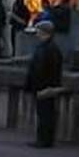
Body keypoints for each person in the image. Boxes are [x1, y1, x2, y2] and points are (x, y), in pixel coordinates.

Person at [23, 20, 65, 148]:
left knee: (45, 114)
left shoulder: (48, 49)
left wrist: (44, 86)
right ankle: (43, 139)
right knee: (44, 113)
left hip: (45, 86)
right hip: (45, 85)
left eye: (38, 32)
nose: (37, 34)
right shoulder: (49, 48)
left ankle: (44, 140)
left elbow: (46, 69)